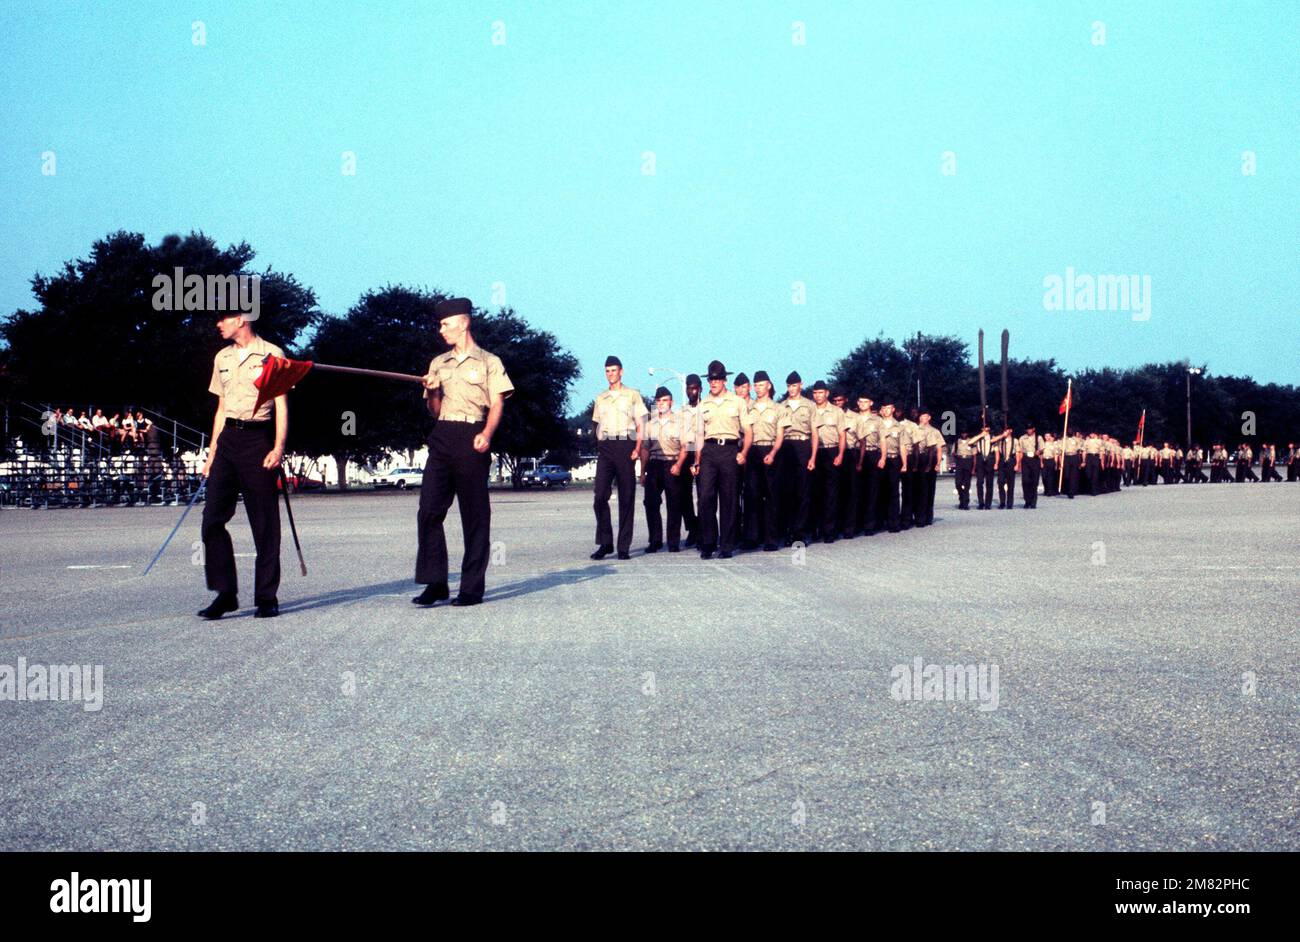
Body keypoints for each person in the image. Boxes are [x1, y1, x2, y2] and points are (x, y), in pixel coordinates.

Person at [410, 300, 513, 609]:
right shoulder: (438, 363)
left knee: (475, 515)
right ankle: (436, 582)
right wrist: (432, 391)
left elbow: (497, 403)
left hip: (473, 435)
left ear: (463, 323)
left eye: (445, 324)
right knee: (428, 511)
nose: (440, 330)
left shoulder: (488, 362)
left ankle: (471, 588)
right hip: (442, 435)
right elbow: (434, 411)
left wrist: (487, 434)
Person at [198, 310, 288, 620]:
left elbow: (280, 404)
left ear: (242, 319)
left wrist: (278, 448)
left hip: (257, 440)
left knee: (264, 525)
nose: (218, 324)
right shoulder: (221, 357)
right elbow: (221, 408)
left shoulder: (272, 354)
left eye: (223, 318)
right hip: (227, 442)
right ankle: (225, 593)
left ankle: (266, 596)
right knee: (211, 520)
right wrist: (211, 454)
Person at [693, 360, 752, 559]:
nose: (714, 382)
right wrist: (697, 460)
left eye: (717, 379)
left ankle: (727, 544)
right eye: (711, 379)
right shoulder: (703, 404)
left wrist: (743, 453)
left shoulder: (737, 402)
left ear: (725, 380)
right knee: (706, 498)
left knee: (729, 499)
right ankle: (709, 542)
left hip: (729, 451)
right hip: (709, 452)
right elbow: (700, 436)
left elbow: (749, 431)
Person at [589, 355, 646, 560]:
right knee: (599, 496)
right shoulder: (600, 398)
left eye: (613, 370)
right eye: (607, 371)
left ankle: (623, 546)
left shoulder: (632, 395)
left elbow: (641, 424)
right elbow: (596, 424)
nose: (610, 374)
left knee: (627, 496)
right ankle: (606, 542)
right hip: (606, 447)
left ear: (621, 371)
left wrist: (637, 448)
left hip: (625, 444)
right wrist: (599, 444)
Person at [744, 371, 788, 551]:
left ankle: (771, 538)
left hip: (771, 450)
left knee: (771, 496)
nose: (757, 388)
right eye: (755, 385)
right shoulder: (749, 409)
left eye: (761, 385)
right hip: (753, 450)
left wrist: (773, 452)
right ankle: (753, 537)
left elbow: (780, 435)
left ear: (769, 385)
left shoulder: (778, 409)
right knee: (752, 495)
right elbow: (747, 433)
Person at [639, 386, 686, 552]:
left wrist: (679, 465)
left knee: (674, 504)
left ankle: (673, 542)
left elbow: (685, 447)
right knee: (650, 503)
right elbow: (645, 448)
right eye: (658, 400)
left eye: (665, 400)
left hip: (672, 463)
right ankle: (655, 540)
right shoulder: (650, 423)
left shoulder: (680, 422)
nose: (661, 403)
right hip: (654, 464)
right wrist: (642, 472)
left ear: (671, 402)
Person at [779, 372, 816, 545]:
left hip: (803, 446)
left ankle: (800, 532)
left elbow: (814, 433)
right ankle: (788, 530)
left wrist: (813, 457)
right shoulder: (782, 406)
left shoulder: (809, 406)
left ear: (800, 385)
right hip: (786, 447)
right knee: (787, 491)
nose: (791, 389)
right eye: (789, 386)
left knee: (803, 491)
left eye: (794, 385)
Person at [809, 381, 845, 542]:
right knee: (815, 492)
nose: (818, 396)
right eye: (815, 393)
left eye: (821, 392)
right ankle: (815, 529)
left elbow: (842, 435)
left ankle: (829, 531)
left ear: (827, 393)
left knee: (831, 493)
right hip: (814, 453)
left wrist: (840, 454)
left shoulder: (837, 411)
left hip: (831, 451)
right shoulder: (810, 410)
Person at [677, 374, 703, 547]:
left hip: (703, 452)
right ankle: (693, 527)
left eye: (694, 388)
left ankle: (703, 530)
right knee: (683, 494)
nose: (691, 391)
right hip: (687, 452)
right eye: (688, 388)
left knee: (704, 494)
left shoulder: (706, 407)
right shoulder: (681, 412)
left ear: (700, 389)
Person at [856, 397, 882, 532]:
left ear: (871, 403)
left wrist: (882, 457)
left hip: (872, 454)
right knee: (856, 490)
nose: (862, 404)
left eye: (865, 402)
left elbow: (882, 440)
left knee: (872, 490)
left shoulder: (878, 420)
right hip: (856, 454)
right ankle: (857, 523)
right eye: (860, 402)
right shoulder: (853, 417)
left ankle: (870, 525)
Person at [877, 403, 904, 532]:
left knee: (893, 491)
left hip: (893, 459)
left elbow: (902, 446)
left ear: (893, 409)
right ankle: (881, 521)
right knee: (879, 490)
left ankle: (894, 522)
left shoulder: (899, 426)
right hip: (879, 459)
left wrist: (904, 463)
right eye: (884, 408)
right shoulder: (877, 423)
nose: (886, 410)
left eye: (889, 408)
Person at [916, 409, 943, 526]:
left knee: (930, 489)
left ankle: (928, 516)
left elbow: (939, 449)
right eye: (921, 416)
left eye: (925, 416)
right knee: (919, 490)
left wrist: (937, 464)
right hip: (918, 459)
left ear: (929, 417)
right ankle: (919, 516)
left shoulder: (934, 431)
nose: (923, 418)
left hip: (929, 459)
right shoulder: (914, 429)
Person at [1016, 423, 1041, 509]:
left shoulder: (1038, 438)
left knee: (1034, 481)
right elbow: (1020, 451)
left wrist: (1039, 452)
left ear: (1033, 429)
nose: (1028, 430)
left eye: (1030, 429)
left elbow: (1042, 448)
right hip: (1026, 459)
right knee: (1025, 481)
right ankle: (1027, 500)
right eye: (1027, 429)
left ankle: (1033, 502)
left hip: (1035, 459)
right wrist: (1018, 464)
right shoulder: (1022, 438)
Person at [953, 427, 975, 509]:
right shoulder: (957, 442)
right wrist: (957, 458)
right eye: (962, 433)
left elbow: (974, 455)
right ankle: (961, 498)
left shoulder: (971, 442)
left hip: (968, 461)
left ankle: (965, 503)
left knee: (967, 484)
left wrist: (973, 468)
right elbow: (953, 453)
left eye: (965, 433)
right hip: (960, 461)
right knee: (958, 483)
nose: (964, 434)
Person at [994, 426, 1015, 508]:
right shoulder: (1000, 441)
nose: (1006, 432)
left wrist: (1017, 464)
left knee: (1011, 483)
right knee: (1000, 482)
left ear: (1011, 431)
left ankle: (1010, 503)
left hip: (1011, 461)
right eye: (1004, 430)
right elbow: (992, 441)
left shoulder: (1015, 441)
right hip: (1002, 462)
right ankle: (1002, 502)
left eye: (1007, 430)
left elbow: (1018, 452)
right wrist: (1002, 435)